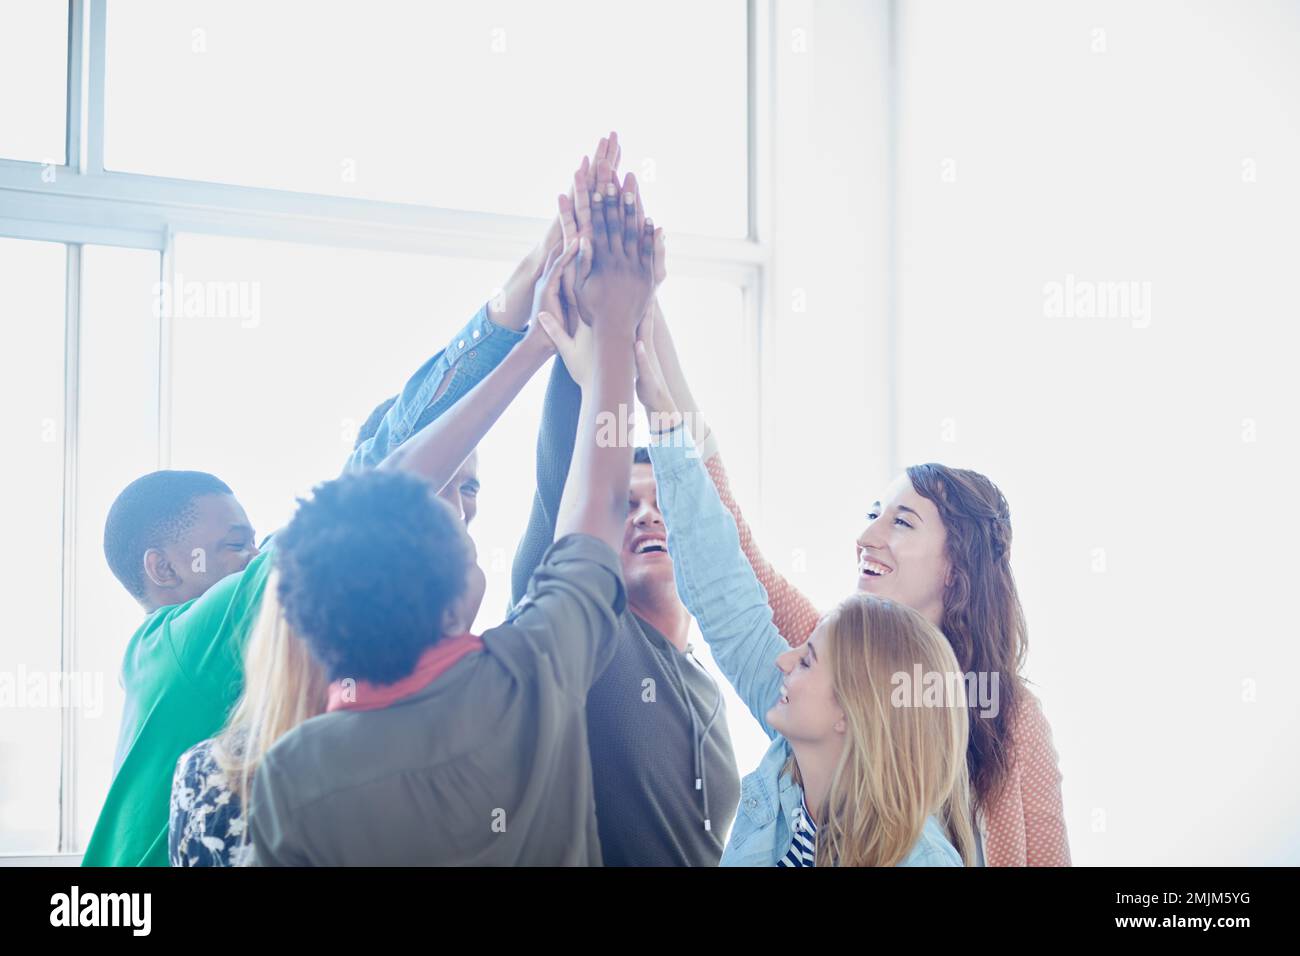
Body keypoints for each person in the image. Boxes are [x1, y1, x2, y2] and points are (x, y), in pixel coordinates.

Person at [82, 145, 595, 865]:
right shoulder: (182, 648)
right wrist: (525, 325)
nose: (258, 557)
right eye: (234, 546)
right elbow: (363, 493)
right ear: (162, 570)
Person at [247, 176, 654, 865]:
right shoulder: (532, 673)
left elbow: (382, 487)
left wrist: (533, 347)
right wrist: (612, 326)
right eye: (461, 541)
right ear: (452, 607)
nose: (467, 526)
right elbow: (595, 502)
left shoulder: (294, 776)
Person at [167, 239, 579, 866]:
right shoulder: (217, 781)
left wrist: (566, 345)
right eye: (433, 486)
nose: (453, 509)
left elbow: (564, 515)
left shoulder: (490, 723)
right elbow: (371, 486)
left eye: (467, 488)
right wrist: (528, 330)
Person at [636, 302, 1071, 867]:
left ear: (957, 568)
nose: (866, 535)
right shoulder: (829, 656)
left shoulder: (1007, 716)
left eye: (902, 521)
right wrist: (650, 334)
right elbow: (732, 577)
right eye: (873, 512)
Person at [511, 152, 740, 865]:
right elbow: (566, 480)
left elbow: (700, 467)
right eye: (627, 506)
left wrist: (641, 305)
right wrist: (600, 307)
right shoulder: (593, 639)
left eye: (660, 502)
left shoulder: (712, 672)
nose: (645, 515)